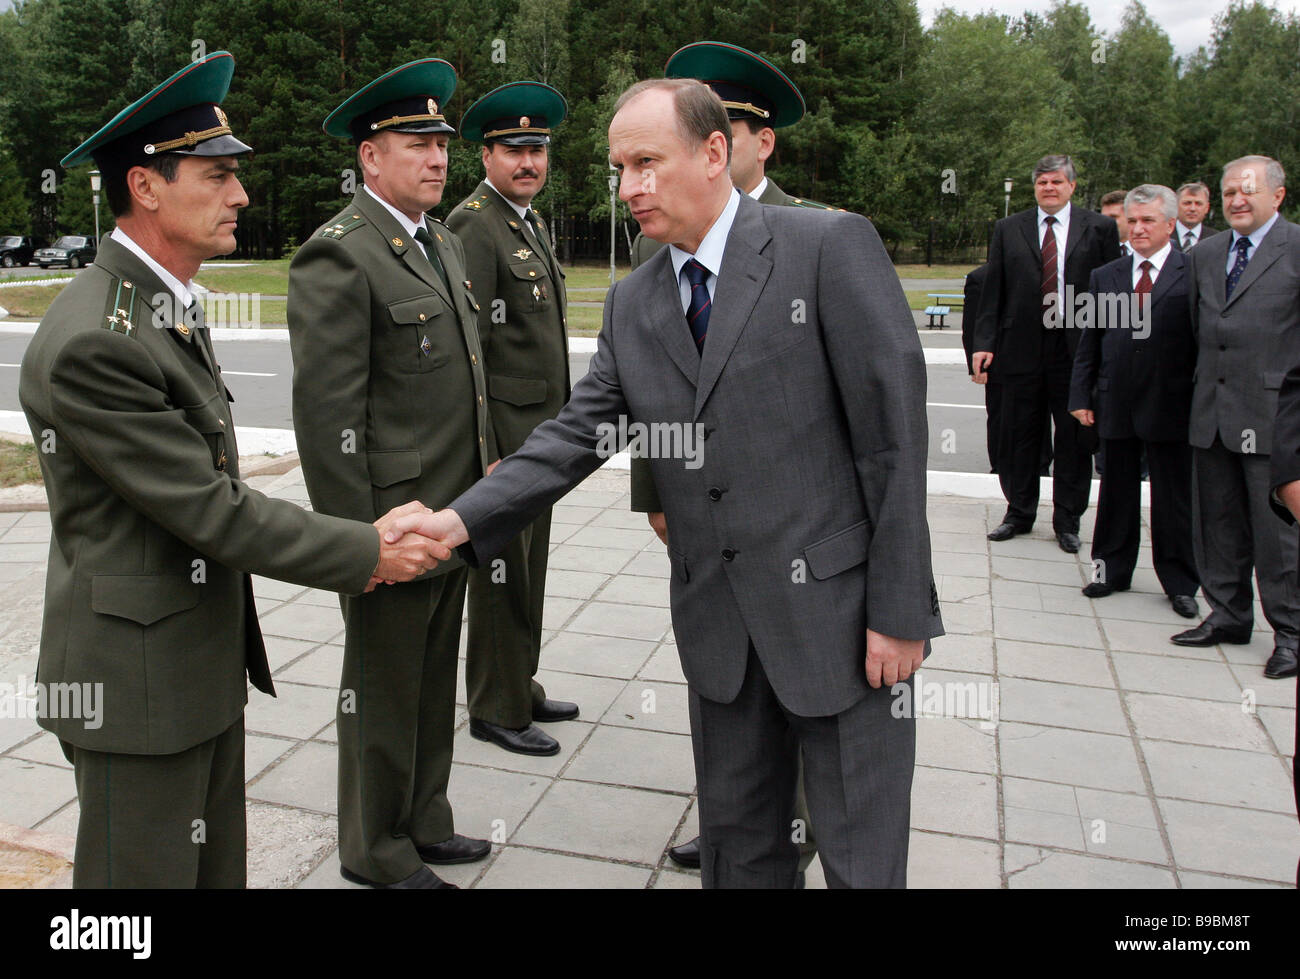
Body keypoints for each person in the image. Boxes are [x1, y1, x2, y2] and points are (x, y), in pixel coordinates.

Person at [389, 78, 943, 888]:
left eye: (646, 163)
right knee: (740, 852)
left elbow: (893, 444)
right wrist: (458, 523)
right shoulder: (635, 302)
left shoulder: (826, 248)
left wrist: (900, 612)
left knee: (860, 857)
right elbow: (575, 436)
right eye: (619, 169)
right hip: (720, 636)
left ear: (715, 153)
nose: (628, 189)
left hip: (842, 626)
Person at [17, 52, 449, 888]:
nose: (241, 195)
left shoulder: (157, 303)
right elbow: (214, 510)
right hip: (135, 691)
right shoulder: (98, 339)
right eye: (217, 176)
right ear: (145, 187)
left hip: (188, 666)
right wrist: (367, 549)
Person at [622, 40, 829, 875]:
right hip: (701, 514)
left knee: (800, 684)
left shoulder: (815, 237)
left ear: (751, 141)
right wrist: (654, 491)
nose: (726, 142)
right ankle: (733, 821)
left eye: (735, 127)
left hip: (796, 537)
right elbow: (641, 390)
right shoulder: (655, 243)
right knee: (723, 680)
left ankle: (799, 822)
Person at [287, 58, 494, 889]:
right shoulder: (339, 255)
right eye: (418, 143)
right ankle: (375, 848)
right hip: (389, 526)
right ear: (370, 158)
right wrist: (358, 545)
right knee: (381, 693)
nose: (439, 157)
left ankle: (424, 820)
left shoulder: (438, 239)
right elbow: (328, 419)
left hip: (450, 516)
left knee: (432, 677)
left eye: (443, 142)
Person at [445, 81, 580, 757]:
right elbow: (470, 347)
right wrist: (489, 448)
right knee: (501, 576)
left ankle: (518, 683)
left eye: (538, 150)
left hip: (543, 437)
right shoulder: (475, 224)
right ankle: (495, 706)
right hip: (508, 442)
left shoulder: (526, 221)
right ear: (487, 155)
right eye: (514, 150)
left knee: (529, 571)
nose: (529, 162)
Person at [1172, 156, 1300, 680]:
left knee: (1279, 537)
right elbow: (1197, 331)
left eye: (1247, 191)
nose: (1237, 201)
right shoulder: (1206, 254)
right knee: (1217, 525)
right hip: (1213, 414)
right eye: (1228, 193)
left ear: (1278, 196)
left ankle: (1290, 633)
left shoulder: (1296, 249)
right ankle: (1227, 615)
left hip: (1275, 419)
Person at [972, 154, 1121, 553]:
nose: (1049, 188)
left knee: (1074, 438)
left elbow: (1111, 289)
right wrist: (984, 343)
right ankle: (1019, 513)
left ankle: (1067, 520)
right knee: (1020, 434)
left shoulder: (1100, 228)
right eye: (1042, 183)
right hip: (1019, 349)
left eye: (1056, 182)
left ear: (1072, 186)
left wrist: (1109, 348)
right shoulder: (1008, 228)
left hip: (1076, 352)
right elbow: (994, 290)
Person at [1068, 185, 1199, 618]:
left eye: (1148, 221)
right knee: (1116, 491)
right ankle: (1110, 571)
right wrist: (1081, 395)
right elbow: (1091, 341)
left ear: (1170, 224)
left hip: (1172, 403)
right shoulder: (1107, 275)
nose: (1138, 228)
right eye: (1133, 220)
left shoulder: (1193, 272)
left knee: (1173, 496)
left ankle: (1180, 582)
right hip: (1115, 400)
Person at [1172, 182, 1215, 252]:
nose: (1192, 209)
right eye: (1187, 203)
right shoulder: (1162, 236)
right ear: (1176, 205)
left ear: (1207, 208)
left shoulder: (1217, 239)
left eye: (1198, 204)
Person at [1100, 190, 1131, 257]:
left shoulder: (1149, 250)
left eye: (1113, 217)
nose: (1106, 223)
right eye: (1103, 218)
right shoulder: (1094, 252)